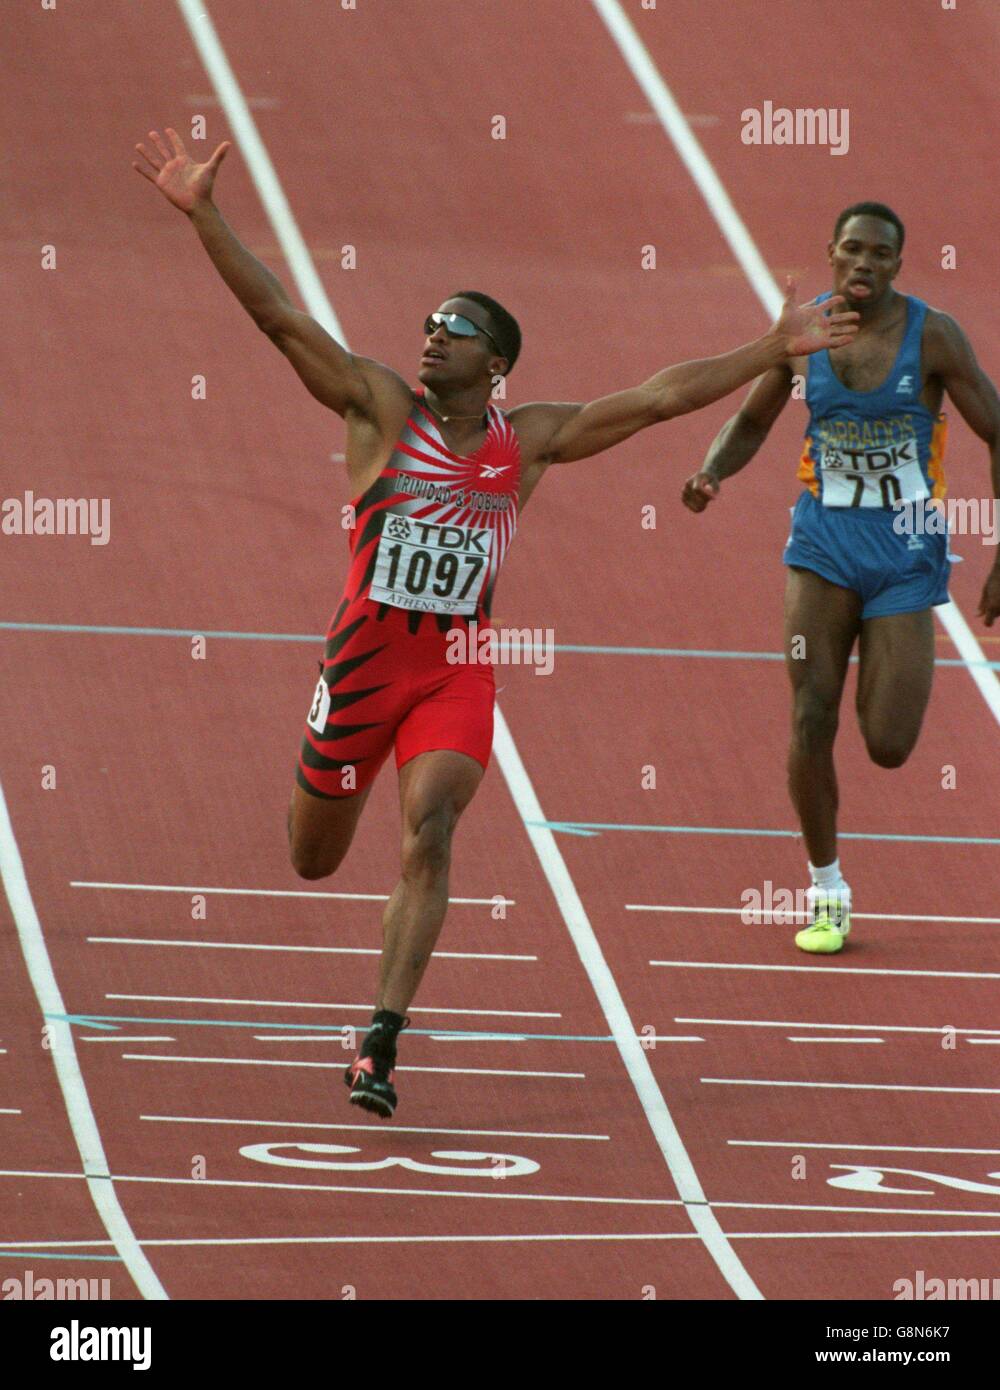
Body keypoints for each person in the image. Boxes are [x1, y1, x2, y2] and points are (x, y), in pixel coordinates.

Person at [134, 127, 858, 1113]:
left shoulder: (532, 442)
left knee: (430, 831)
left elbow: (657, 398)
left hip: (452, 672)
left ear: (498, 362)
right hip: (359, 668)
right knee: (313, 857)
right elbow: (279, 318)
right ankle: (324, 806)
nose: (431, 332)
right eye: (429, 320)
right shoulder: (380, 409)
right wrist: (206, 213)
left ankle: (379, 1042)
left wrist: (773, 347)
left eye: (456, 326)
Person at [683, 202, 1000, 955]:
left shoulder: (934, 336)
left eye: (879, 254)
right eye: (851, 250)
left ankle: (882, 668)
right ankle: (828, 891)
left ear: (897, 263)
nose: (863, 263)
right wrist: (711, 471)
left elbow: (996, 429)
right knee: (808, 715)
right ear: (831, 253)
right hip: (823, 543)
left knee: (887, 742)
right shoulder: (804, 333)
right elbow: (756, 419)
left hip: (906, 549)